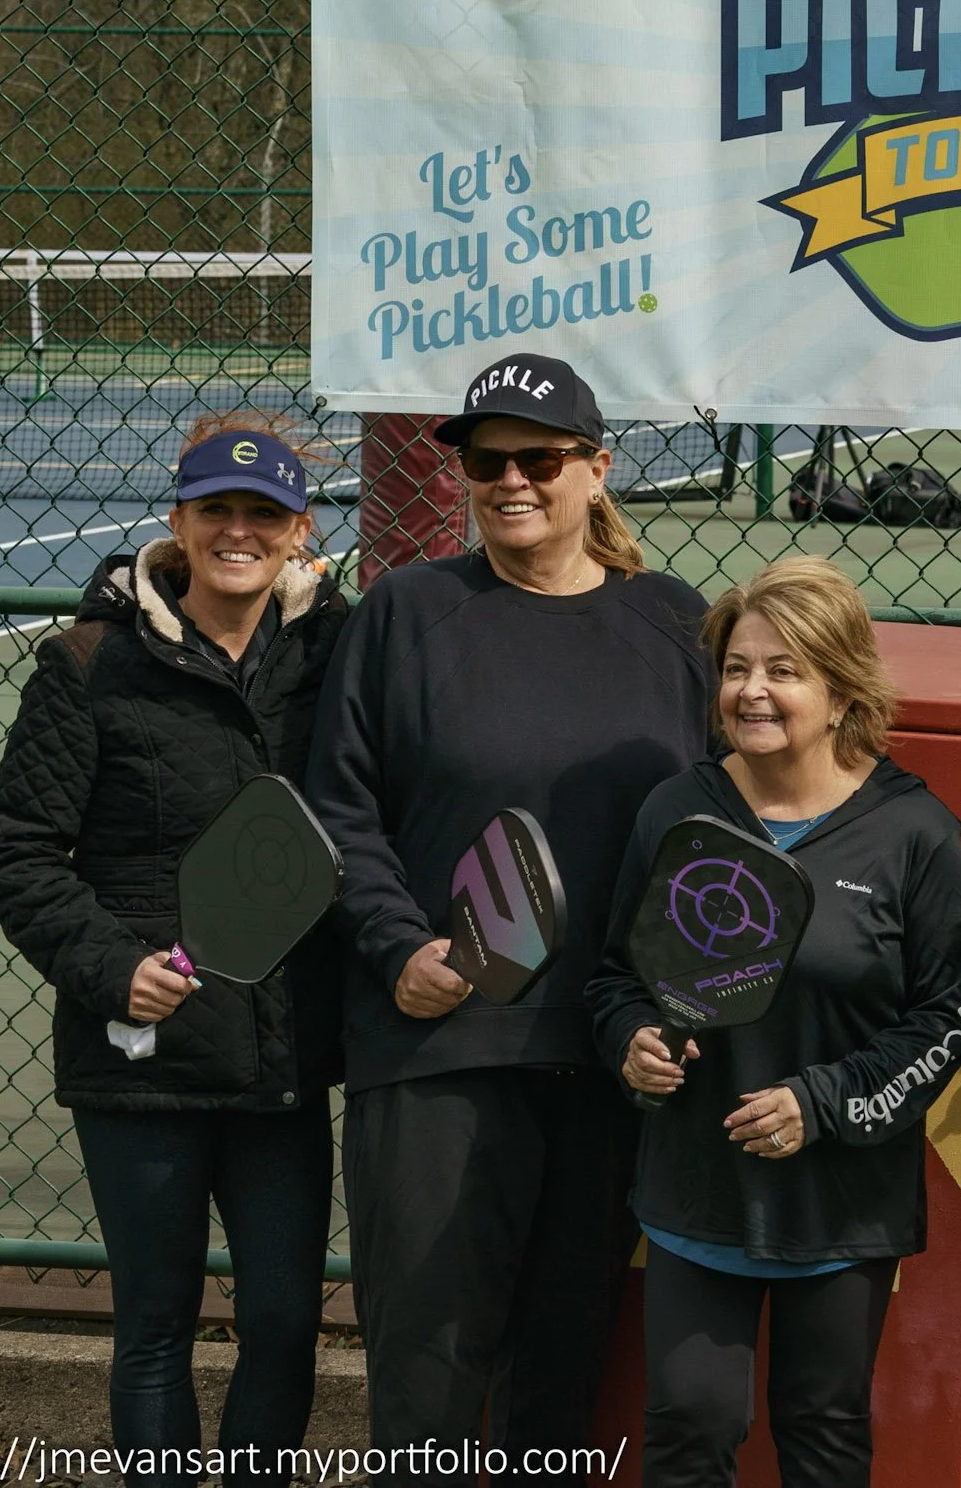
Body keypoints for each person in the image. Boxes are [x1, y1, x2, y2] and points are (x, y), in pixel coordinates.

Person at [305, 353, 712, 1487]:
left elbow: (718, 826)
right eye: (487, 463)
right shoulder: (406, 609)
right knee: (427, 1388)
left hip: (606, 1058)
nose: (511, 481)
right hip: (440, 1054)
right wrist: (399, 948)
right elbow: (339, 812)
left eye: (539, 458)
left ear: (598, 468)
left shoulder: (675, 621)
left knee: (558, 1387)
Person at [0, 416, 346, 1488]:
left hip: (280, 1054)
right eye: (216, 509)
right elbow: (21, 850)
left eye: (264, 513)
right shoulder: (89, 664)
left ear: (298, 529)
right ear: (178, 523)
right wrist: (111, 967)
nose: (239, 531)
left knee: (284, 1317)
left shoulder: (336, 655)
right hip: (141, 1062)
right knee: (154, 1323)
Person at [588, 556, 961, 1488]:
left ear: (842, 689)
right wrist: (631, 1040)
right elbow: (615, 978)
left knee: (822, 1430)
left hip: (842, 1201)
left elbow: (953, 1010)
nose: (752, 690)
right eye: (736, 668)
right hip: (697, 1189)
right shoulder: (678, 809)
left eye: (783, 669)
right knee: (691, 1424)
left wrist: (825, 1101)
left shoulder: (914, 832)